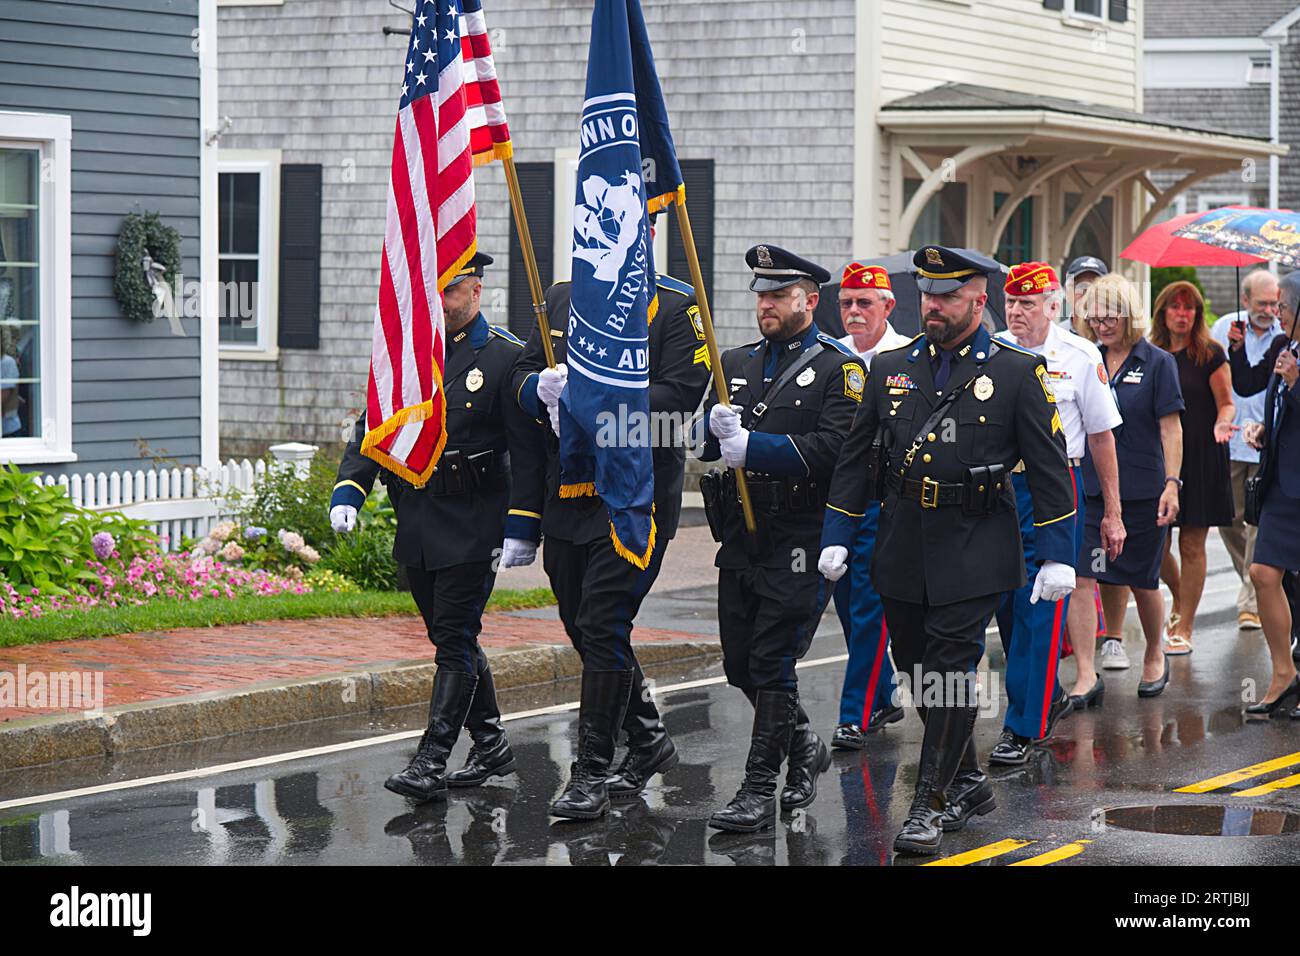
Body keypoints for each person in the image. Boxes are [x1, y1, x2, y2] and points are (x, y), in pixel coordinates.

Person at [820, 245, 1077, 855]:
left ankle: (928, 801)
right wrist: (835, 535)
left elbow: (1048, 469)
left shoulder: (1016, 371)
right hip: (904, 541)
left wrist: (1060, 552)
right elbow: (857, 460)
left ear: (978, 301)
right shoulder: (891, 367)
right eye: (927, 295)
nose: (933, 306)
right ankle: (966, 782)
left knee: (952, 670)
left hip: (979, 542)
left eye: (947, 296)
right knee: (915, 668)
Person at [329, 252, 547, 802]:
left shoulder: (503, 356)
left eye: (451, 293)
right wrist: (351, 487)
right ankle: (492, 742)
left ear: (476, 290)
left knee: (452, 639)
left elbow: (527, 450)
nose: (442, 304)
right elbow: (373, 425)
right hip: (419, 518)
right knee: (453, 637)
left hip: (475, 522)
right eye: (435, 293)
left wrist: (524, 523)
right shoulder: (410, 355)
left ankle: (430, 761)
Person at [513, 265, 710, 819]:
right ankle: (648, 737)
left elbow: (677, 402)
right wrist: (539, 390)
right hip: (570, 492)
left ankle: (591, 772)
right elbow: (522, 378)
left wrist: (594, 400)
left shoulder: (674, 306)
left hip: (633, 497)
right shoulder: (559, 298)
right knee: (584, 625)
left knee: (603, 622)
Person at [699, 244, 865, 832]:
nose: (765, 304)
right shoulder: (736, 362)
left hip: (803, 534)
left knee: (771, 660)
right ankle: (803, 745)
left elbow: (840, 448)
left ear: (809, 301)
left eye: (777, 295)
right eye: (760, 295)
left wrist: (758, 448)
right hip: (742, 533)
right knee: (739, 663)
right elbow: (700, 440)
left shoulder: (839, 369)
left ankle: (757, 789)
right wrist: (712, 431)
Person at [988, 262, 1125, 767]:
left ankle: (1022, 726)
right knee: (1005, 602)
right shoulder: (991, 352)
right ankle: (1041, 698)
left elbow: (1101, 436)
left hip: (1053, 486)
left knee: (1041, 604)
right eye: (1011, 302)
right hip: (999, 488)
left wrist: (1112, 511)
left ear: (1054, 306)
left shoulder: (1081, 355)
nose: (1017, 312)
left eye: (1028, 303)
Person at [1075, 274, 1184, 696]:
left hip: (1143, 489)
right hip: (1091, 489)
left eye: (1111, 318)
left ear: (1130, 316)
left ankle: (1155, 652)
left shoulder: (1158, 363)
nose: (1103, 327)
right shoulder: (1088, 358)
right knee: (1085, 576)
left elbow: (1171, 430)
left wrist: (1172, 484)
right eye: (1096, 318)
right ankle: (1086, 673)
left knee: (1142, 579)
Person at [828, 261, 912, 750]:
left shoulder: (907, 356)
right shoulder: (831, 356)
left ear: (888, 305)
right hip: (839, 499)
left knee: (867, 607)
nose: (854, 312)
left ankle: (853, 714)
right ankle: (882, 695)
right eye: (846, 303)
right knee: (845, 605)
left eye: (864, 302)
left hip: (885, 499)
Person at [1228, 269, 1300, 719]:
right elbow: (1256, 389)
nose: (1279, 314)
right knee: (1262, 572)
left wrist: (1296, 384)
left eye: (1285, 307)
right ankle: (1283, 671)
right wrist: (1262, 431)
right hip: (1281, 483)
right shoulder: (1286, 349)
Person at [1151, 281, 1236, 655]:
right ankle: (1180, 598)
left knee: (1191, 544)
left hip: (1202, 454)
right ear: (1163, 312)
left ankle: (1185, 625)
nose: (1182, 314)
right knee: (1156, 544)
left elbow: (1227, 403)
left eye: (1189, 308)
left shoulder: (1210, 354)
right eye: (1175, 307)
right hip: (1159, 457)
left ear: (1197, 315)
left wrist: (1223, 422)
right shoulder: (1151, 353)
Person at [1210, 270, 1282, 630]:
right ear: (1245, 301)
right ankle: (1254, 580)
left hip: (1267, 445)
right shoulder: (1223, 328)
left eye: (1274, 303)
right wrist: (1232, 349)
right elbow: (1216, 373)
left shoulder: (1284, 335)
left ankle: (1251, 601)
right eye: (1262, 303)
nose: (1269, 310)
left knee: (1257, 521)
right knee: (1229, 518)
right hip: (1231, 441)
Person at [1064, 256, 1109, 334]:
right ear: (1068, 292)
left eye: (1095, 286)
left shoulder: (1110, 336)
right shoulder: (1055, 335)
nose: (1088, 293)